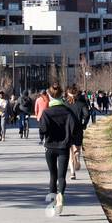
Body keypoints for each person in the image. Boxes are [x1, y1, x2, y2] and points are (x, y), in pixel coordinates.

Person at [38, 82, 80, 216]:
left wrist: (42, 137)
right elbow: (75, 128)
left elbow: (43, 129)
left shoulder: (47, 113)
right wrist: (72, 141)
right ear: (62, 95)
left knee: (53, 175)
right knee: (61, 176)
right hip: (63, 147)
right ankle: (60, 195)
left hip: (50, 147)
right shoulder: (68, 112)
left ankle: (52, 202)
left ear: (49, 96)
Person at [66, 85, 90, 180]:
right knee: (78, 146)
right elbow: (87, 114)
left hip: (68, 129)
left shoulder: (65, 104)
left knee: (69, 151)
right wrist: (84, 124)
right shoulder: (82, 104)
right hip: (78, 128)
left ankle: (72, 172)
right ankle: (77, 157)